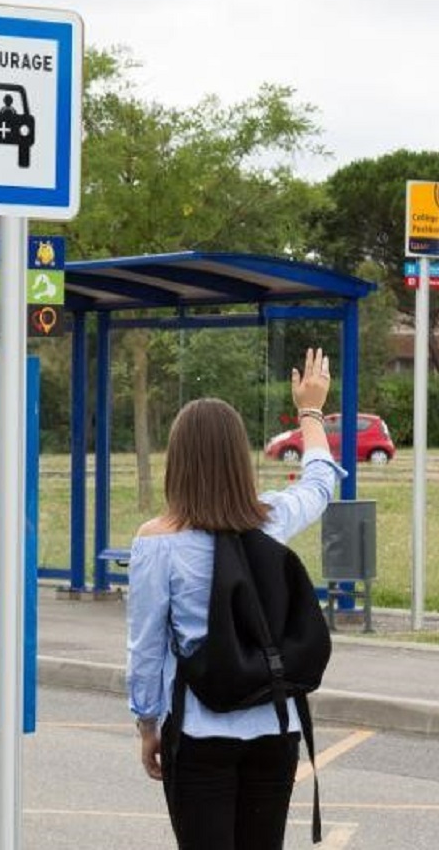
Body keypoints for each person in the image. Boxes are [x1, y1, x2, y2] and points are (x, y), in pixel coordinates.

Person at [127, 347, 343, 850]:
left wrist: (146, 724)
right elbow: (320, 481)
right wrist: (310, 410)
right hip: (274, 724)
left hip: (201, 731)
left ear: (176, 462)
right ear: (237, 456)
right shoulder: (269, 519)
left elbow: (146, 650)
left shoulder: (156, 542)